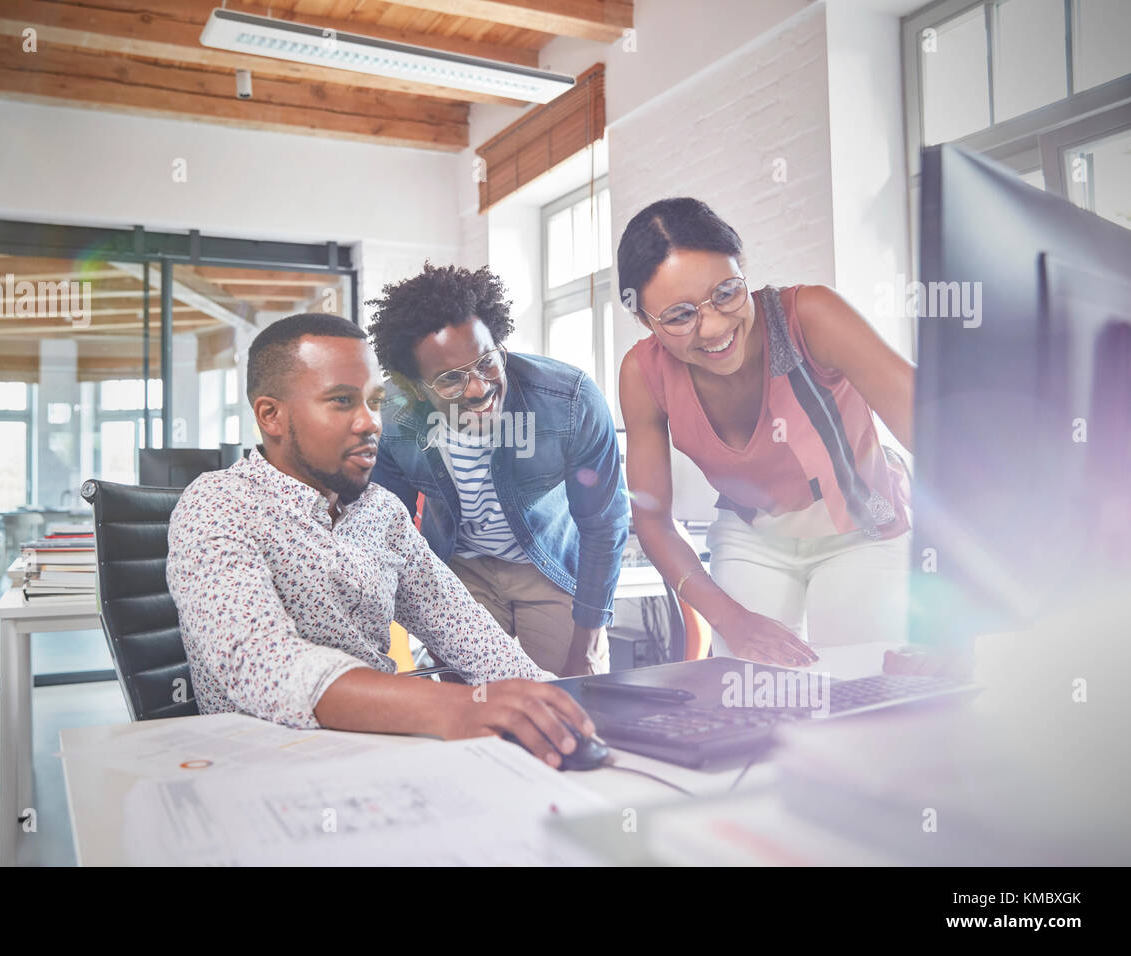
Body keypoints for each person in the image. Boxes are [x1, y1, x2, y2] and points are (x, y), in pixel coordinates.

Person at [166, 313, 593, 768]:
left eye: (373, 402)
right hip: (262, 770)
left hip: (381, 758)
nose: (370, 423)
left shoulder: (381, 511)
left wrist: (560, 705)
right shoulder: (218, 504)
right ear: (271, 416)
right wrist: (455, 707)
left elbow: (470, 634)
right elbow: (263, 666)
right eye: (342, 401)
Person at [616, 198, 914, 666]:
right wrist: (731, 619)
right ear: (644, 320)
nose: (713, 327)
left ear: (744, 270)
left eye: (726, 293)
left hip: (864, 524)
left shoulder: (810, 317)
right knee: (748, 686)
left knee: (859, 682)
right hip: (753, 534)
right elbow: (652, 520)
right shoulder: (642, 373)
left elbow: (933, 428)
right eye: (679, 316)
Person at [365, 263, 629, 677]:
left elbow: (604, 523)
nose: (479, 388)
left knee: (572, 697)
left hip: (548, 563)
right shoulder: (395, 418)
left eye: (487, 362)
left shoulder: (569, 400)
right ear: (417, 387)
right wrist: (423, 619)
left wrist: (590, 641)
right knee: (472, 703)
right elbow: (383, 529)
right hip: (462, 569)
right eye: (451, 379)